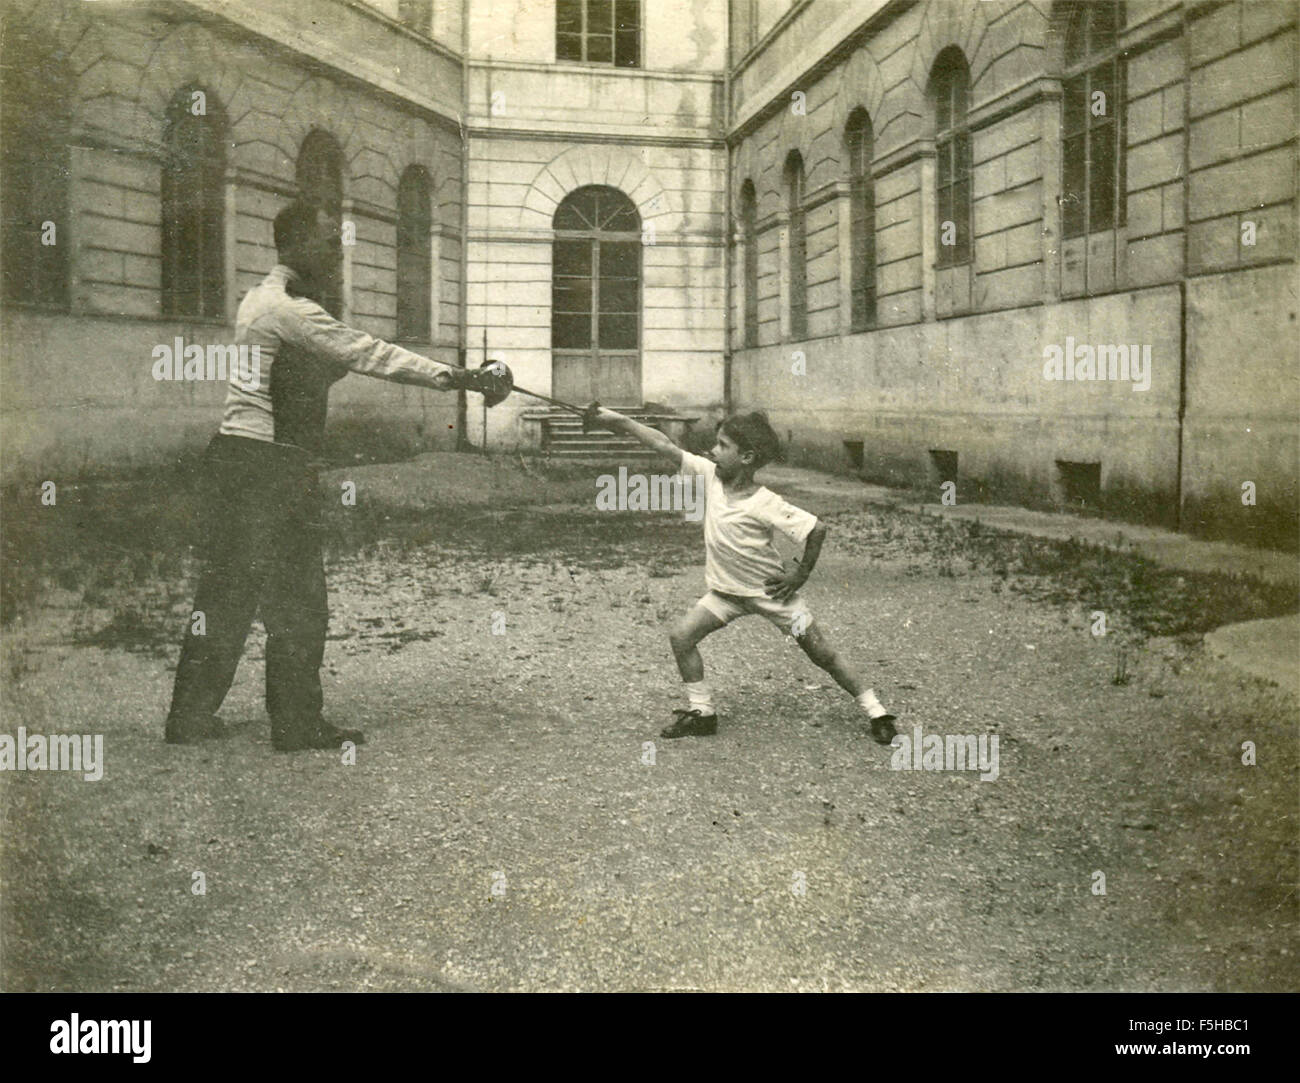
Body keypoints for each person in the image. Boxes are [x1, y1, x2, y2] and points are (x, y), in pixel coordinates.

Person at [164, 200, 507, 751]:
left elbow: (318, 365)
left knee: (225, 595)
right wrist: (462, 377)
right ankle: (297, 725)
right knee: (298, 601)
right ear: (297, 244)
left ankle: (188, 719)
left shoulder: (259, 300)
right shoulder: (292, 311)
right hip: (271, 469)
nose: (336, 250)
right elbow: (367, 352)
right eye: (327, 241)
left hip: (237, 461)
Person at [584, 404, 899, 743]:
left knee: (823, 655)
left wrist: (799, 575)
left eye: (722, 446)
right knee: (681, 637)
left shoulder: (766, 502)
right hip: (725, 594)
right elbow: (663, 445)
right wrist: (617, 420)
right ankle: (702, 712)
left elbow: (816, 529)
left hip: (770, 596)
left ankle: (877, 712)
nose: (713, 451)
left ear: (746, 457)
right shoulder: (710, 476)